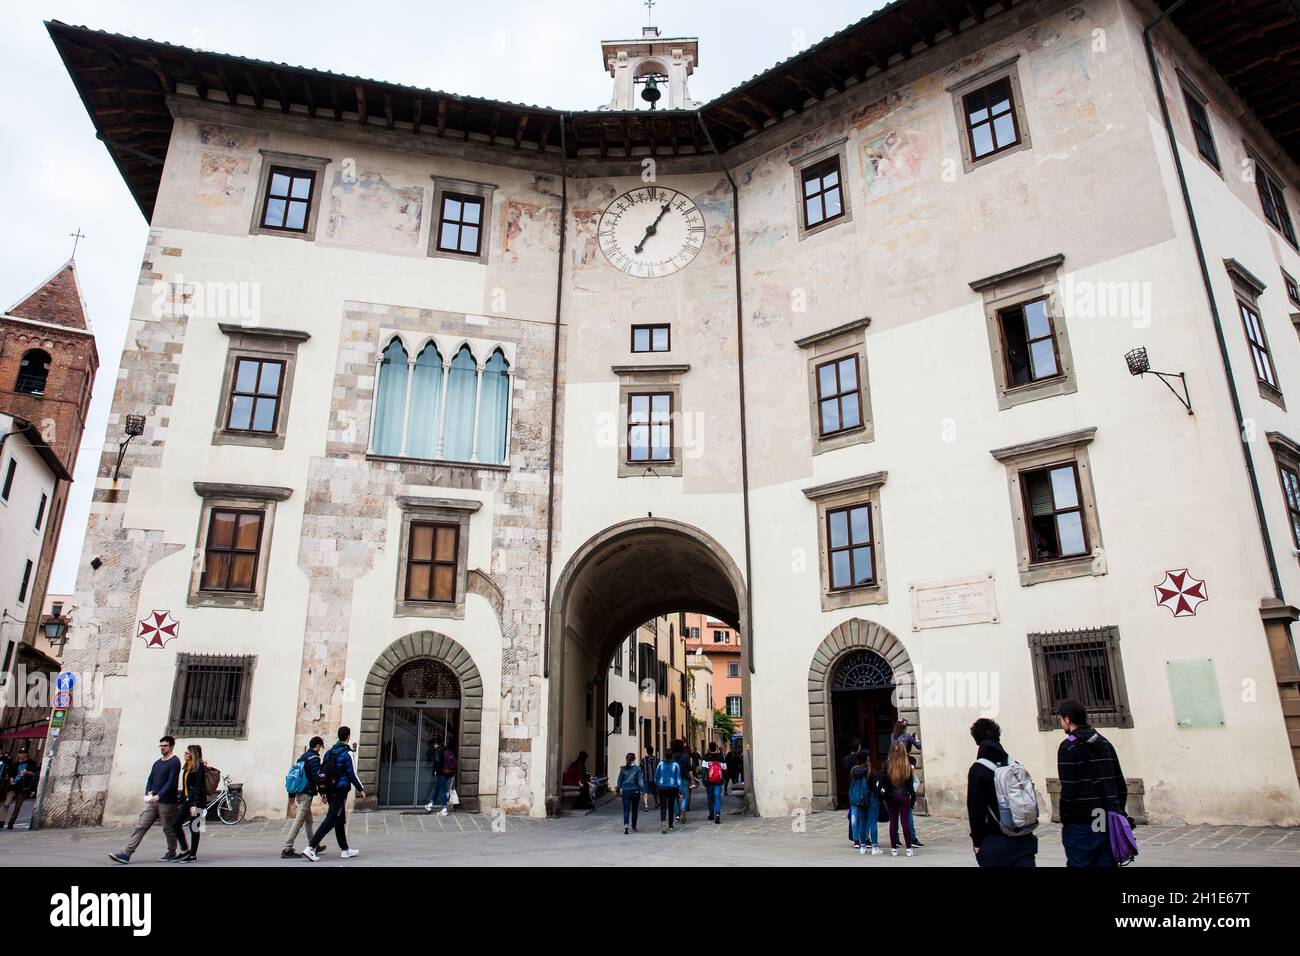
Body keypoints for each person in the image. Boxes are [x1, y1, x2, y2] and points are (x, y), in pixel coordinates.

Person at [1056, 699, 1127, 868]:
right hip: (1104, 817)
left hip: (1080, 820)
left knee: (1080, 862)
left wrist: (1065, 817)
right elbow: (1120, 784)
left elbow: (1068, 791)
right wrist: (1118, 810)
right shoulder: (1103, 742)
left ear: (1067, 719)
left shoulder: (1068, 747)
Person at [967, 718, 1037, 867]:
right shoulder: (1014, 764)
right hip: (1024, 839)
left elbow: (975, 810)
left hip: (995, 841)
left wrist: (977, 842)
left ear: (976, 740)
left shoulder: (978, 769)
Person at [109, 736, 183, 863]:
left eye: (165, 745)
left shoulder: (175, 762)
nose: (162, 748)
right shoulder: (157, 762)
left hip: (167, 802)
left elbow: (171, 782)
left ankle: (171, 852)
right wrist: (148, 792)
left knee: (167, 828)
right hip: (152, 802)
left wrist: (159, 795)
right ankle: (127, 853)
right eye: (161, 746)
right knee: (141, 826)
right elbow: (150, 779)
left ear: (171, 746)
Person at [303, 727, 365, 862]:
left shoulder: (329, 753)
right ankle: (311, 847)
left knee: (339, 819)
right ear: (348, 737)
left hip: (330, 790)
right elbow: (352, 773)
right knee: (331, 819)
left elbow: (322, 772)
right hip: (340, 791)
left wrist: (323, 792)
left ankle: (345, 849)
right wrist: (361, 789)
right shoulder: (347, 753)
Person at [283, 736, 323, 858]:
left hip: (299, 793)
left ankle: (315, 844)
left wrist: (292, 796)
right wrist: (323, 793)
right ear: (317, 746)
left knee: (309, 821)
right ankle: (287, 848)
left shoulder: (303, 757)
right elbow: (316, 777)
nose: (320, 749)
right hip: (306, 793)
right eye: (320, 747)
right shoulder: (314, 758)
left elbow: (295, 775)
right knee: (299, 821)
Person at [171, 745, 207, 864]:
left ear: (193, 754)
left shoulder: (199, 767)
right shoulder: (188, 766)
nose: (184, 755)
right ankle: (185, 850)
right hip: (187, 800)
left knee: (195, 828)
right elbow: (186, 786)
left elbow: (199, 787)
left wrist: (195, 804)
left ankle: (192, 855)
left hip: (198, 802)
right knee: (176, 823)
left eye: (187, 753)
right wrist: (181, 801)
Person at [891, 719, 923, 847]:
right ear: (905, 727)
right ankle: (912, 838)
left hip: (893, 767)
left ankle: (896, 839)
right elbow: (919, 746)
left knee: (895, 813)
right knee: (907, 808)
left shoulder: (892, 737)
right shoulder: (908, 737)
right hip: (906, 764)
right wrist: (917, 738)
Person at [881, 740, 915, 857]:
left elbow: (883, 781)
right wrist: (913, 798)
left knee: (893, 821)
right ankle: (909, 849)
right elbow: (910, 784)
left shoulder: (887, 764)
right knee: (905, 822)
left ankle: (894, 849)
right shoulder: (907, 765)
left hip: (891, 796)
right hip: (904, 795)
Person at [848, 752, 882, 856]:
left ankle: (862, 847)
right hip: (871, 799)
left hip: (859, 800)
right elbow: (877, 786)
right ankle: (874, 847)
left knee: (862, 822)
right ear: (867, 758)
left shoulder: (854, 770)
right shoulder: (871, 771)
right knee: (872, 822)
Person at [3, 746, 38, 830]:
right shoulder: (16, 764)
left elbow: (34, 773)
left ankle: (11, 822)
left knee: (18, 806)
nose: (21, 755)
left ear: (26, 754)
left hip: (24, 787)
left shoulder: (31, 763)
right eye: (20, 753)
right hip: (14, 786)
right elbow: (11, 774)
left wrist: (27, 772)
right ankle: (1, 821)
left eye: (23, 753)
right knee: (6, 804)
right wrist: (11, 779)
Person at [615, 752, 646, 834]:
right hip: (635, 791)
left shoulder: (623, 769)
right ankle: (634, 826)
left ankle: (626, 825)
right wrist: (644, 791)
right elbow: (641, 782)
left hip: (626, 791)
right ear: (634, 759)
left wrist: (618, 789)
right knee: (635, 809)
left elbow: (619, 781)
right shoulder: (637, 769)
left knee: (626, 809)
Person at [423, 741, 458, 815]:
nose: (433, 746)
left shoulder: (438, 751)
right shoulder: (446, 749)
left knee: (442, 789)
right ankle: (430, 804)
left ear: (436, 744)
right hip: (449, 773)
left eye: (434, 745)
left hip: (441, 773)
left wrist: (435, 771)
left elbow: (437, 762)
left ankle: (444, 809)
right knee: (437, 787)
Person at [652, 748, 682, 833]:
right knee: (671, 806)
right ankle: (671, 825)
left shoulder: (660, 764)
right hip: (672, 788)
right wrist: (680, 789)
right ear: (672, 755)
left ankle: (663, 822)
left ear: (665, 755)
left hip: (662, 787)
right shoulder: (675, 765)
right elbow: (678, 778)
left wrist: (657, 784)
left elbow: (656, 776)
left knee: (663, 806)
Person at [702, 742, 727, 824]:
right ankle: (717, 815)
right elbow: (724, 769)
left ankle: (711, 814)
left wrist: (704, 782)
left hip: (709, 781)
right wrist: (723, 779)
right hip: (718, 781)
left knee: (710, 798)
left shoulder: (706, 757)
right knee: (717, 798)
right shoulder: (720, 757)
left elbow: (703, 771)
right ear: (716, 748)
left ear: (709, 748)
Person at [672, 740, 692, 821]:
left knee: (674, 797)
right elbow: (689, 767)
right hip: (684, 777)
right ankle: (683, 808)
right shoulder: (686, 755)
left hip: (673, 779)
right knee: (684, 795)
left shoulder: (672, 756)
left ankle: (677, 814)